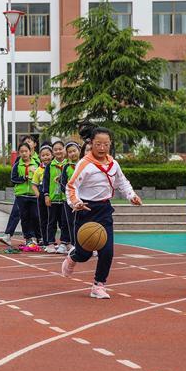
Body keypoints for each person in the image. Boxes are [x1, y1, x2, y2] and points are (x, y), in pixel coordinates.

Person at [62, 127, 142, 299]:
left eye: (106, 144)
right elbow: (71, 186)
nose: (102, 147)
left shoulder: (114, 164)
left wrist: (131, 196)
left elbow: (122, 182)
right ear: (91, 144)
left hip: (104, 210)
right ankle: (73, 257)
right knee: (85, 254)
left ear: (110, 144)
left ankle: (98, 285)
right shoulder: (84, 164)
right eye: (98, 144)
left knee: (107, 251)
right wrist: (75, 203)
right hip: (85, 210)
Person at [0, 135, 38, 246]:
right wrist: (25, 177)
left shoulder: (38, 160)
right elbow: (14, 177)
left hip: (34, 194)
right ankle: (9, 235)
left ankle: (36, 237)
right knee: (18, 215)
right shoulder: (18, 163)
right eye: (22, 151)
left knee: (35, 216)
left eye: (29, 142)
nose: (24, 153)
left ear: (33, 146)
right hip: (21, 194)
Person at [42, 140, 70, 254]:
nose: (58, 151)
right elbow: (45, 181)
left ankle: (65, 242)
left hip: (65, 199)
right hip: (53, 199)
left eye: (60, 149)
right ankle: (50, 243)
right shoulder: (49, 166)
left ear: (64, 150)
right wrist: (46, 195)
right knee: (51, 222)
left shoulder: (68, 164)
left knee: (65, 222)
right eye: (55, 150)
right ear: (53, 152)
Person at [58, 141, 81, 253]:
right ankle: (74, 245)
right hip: (70, 200)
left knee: (85, 222)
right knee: (71, 222)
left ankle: (89, 245)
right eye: (69, 152)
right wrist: (70, 193)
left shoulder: (84, 164)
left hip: (84, 199)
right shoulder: (66, 167)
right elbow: (63, 183)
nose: (72, 153)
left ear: (79, 151)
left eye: (74, 151)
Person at [33, 144, 54, 248]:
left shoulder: (54, 168)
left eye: (48, 154)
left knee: (53, 220)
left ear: (52, 155)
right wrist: (39, 195)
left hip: (53, 196)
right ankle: (45, 241)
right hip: (42, 197)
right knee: (44, 219)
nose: (46, 157)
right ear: (40, 157)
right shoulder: (38, 170)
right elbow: (34, 184)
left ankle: (52, 240)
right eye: (43, 155)